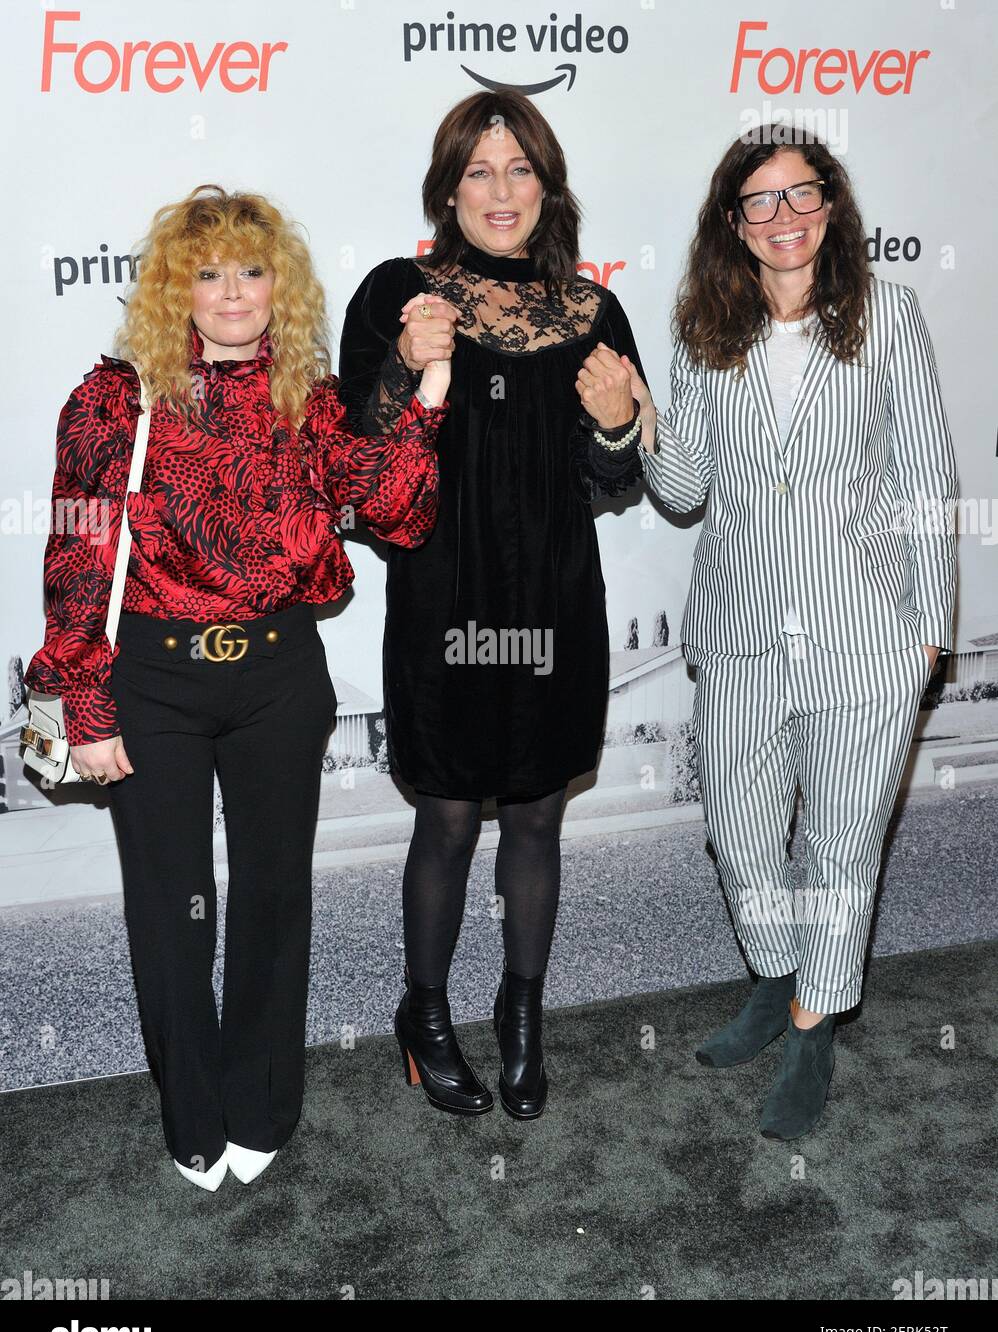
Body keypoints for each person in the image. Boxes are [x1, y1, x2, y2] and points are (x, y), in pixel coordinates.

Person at [25, 185, 449, 1188]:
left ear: (279, 286)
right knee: (173, 905)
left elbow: (396, 512)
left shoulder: (311, 395)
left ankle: (263, 1101)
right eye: (206, 271)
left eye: (249, 271)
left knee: (272, 894)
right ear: (174, 285)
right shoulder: (112, 400)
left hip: (278, 674)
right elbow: (77, 554)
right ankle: (193, 1113)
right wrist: (84, 702)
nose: (229, 291)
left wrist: (426, 394)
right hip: (153, 682)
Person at [622, 127, 958, 1139]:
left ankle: (812, 1019)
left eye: (798, 194)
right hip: (737, 631)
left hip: (866, 636)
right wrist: (633, 414)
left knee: (841, 843)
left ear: (830, 203)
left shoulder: (884, 314)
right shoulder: (701, 329)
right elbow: (682, 492)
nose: (781, 217)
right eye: (757, 202)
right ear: (732, 223)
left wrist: (927, 633)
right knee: (736, 827)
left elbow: (925, 479)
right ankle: (775, 975)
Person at [338, 91, 646, 1119]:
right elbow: (359, 473)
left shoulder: (592, 311)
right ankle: (422, 1014)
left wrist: (611, 431)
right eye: (478, 170)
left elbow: (607, 485)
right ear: (447, 188)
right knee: (449, 817)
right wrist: (404, 363)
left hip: (556, 599)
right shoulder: (398, 292)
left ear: (546, 186)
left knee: (536, 817)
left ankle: (521, 1013)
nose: (499, 190)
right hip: (441, 599)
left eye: (518, 170)